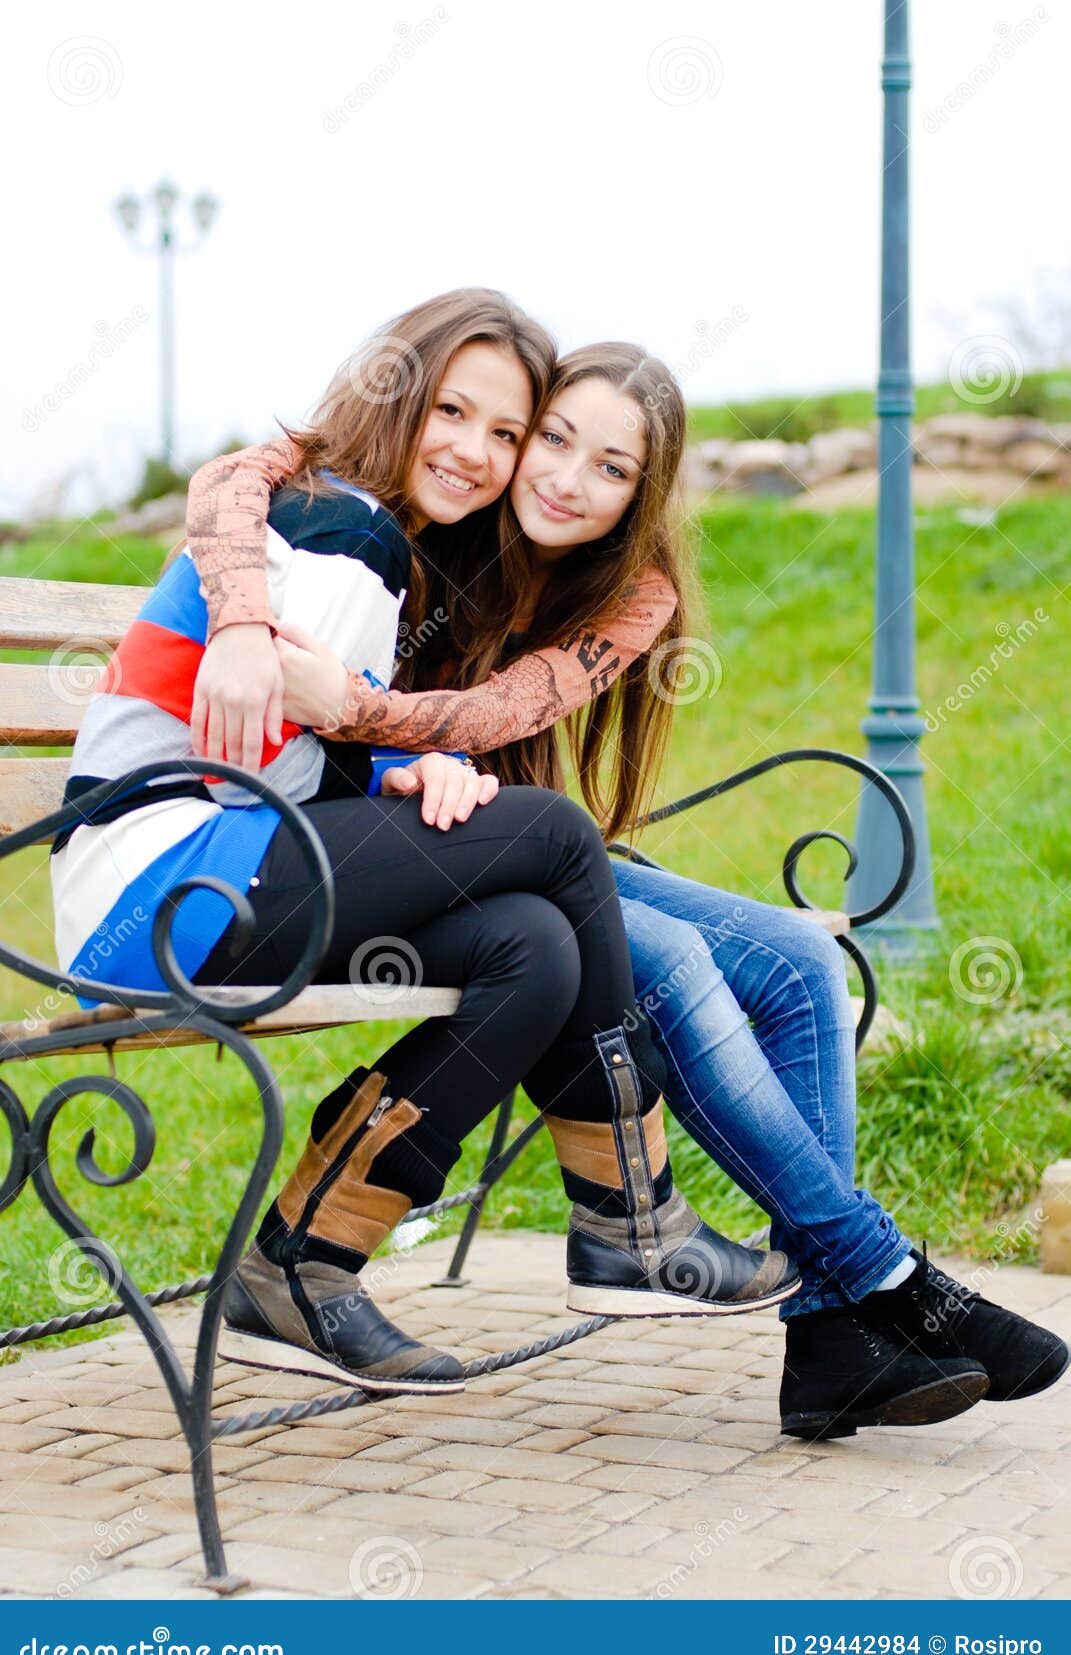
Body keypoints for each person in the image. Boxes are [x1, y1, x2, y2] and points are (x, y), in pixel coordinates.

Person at [184, 330, 1067, 1440]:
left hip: (527, 851)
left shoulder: (631, 594)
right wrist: (243, 619)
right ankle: (876, 1282)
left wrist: (356, 707)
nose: (564, 477)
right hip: (436, 863)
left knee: (797, 960)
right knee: (687, 958)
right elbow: (235, 473)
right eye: (551, 439)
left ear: (642, 495)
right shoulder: (445, 518)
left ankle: (835, 1333)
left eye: (611, 467)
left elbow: (497, 719)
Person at [51, 290, 798, 1405]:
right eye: (452, 411)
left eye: (504, 433)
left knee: (532, 945)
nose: (475, 452)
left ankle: (304, 1260)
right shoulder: (346, 528)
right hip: (163, 885)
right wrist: (324, 704)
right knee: (548, 833)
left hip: (216, 870)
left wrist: (406, 767)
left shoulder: (368, 535)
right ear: (395, 395)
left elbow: (318, 746)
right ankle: (629, 1217)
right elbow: (271, 754)